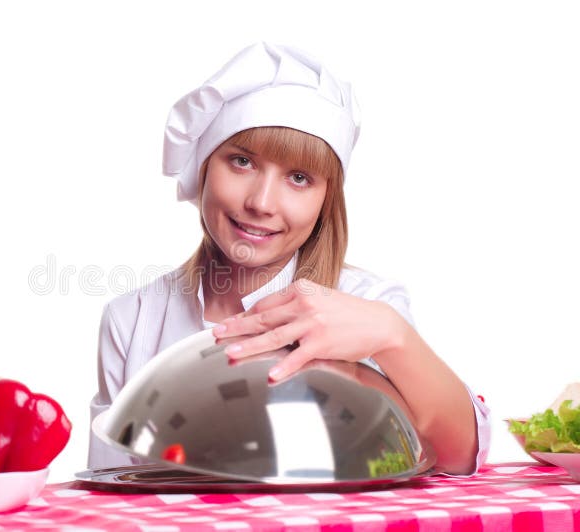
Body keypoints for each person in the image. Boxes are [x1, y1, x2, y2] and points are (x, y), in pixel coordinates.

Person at [88, 42, 490, 475]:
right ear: (203, 167)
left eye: (299, 178)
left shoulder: (366, 303)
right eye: (241, 162)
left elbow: (458, 457)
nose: (262, 202)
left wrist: (392, 337)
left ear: (325, 200)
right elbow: (113, 488)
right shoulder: (133, 320)